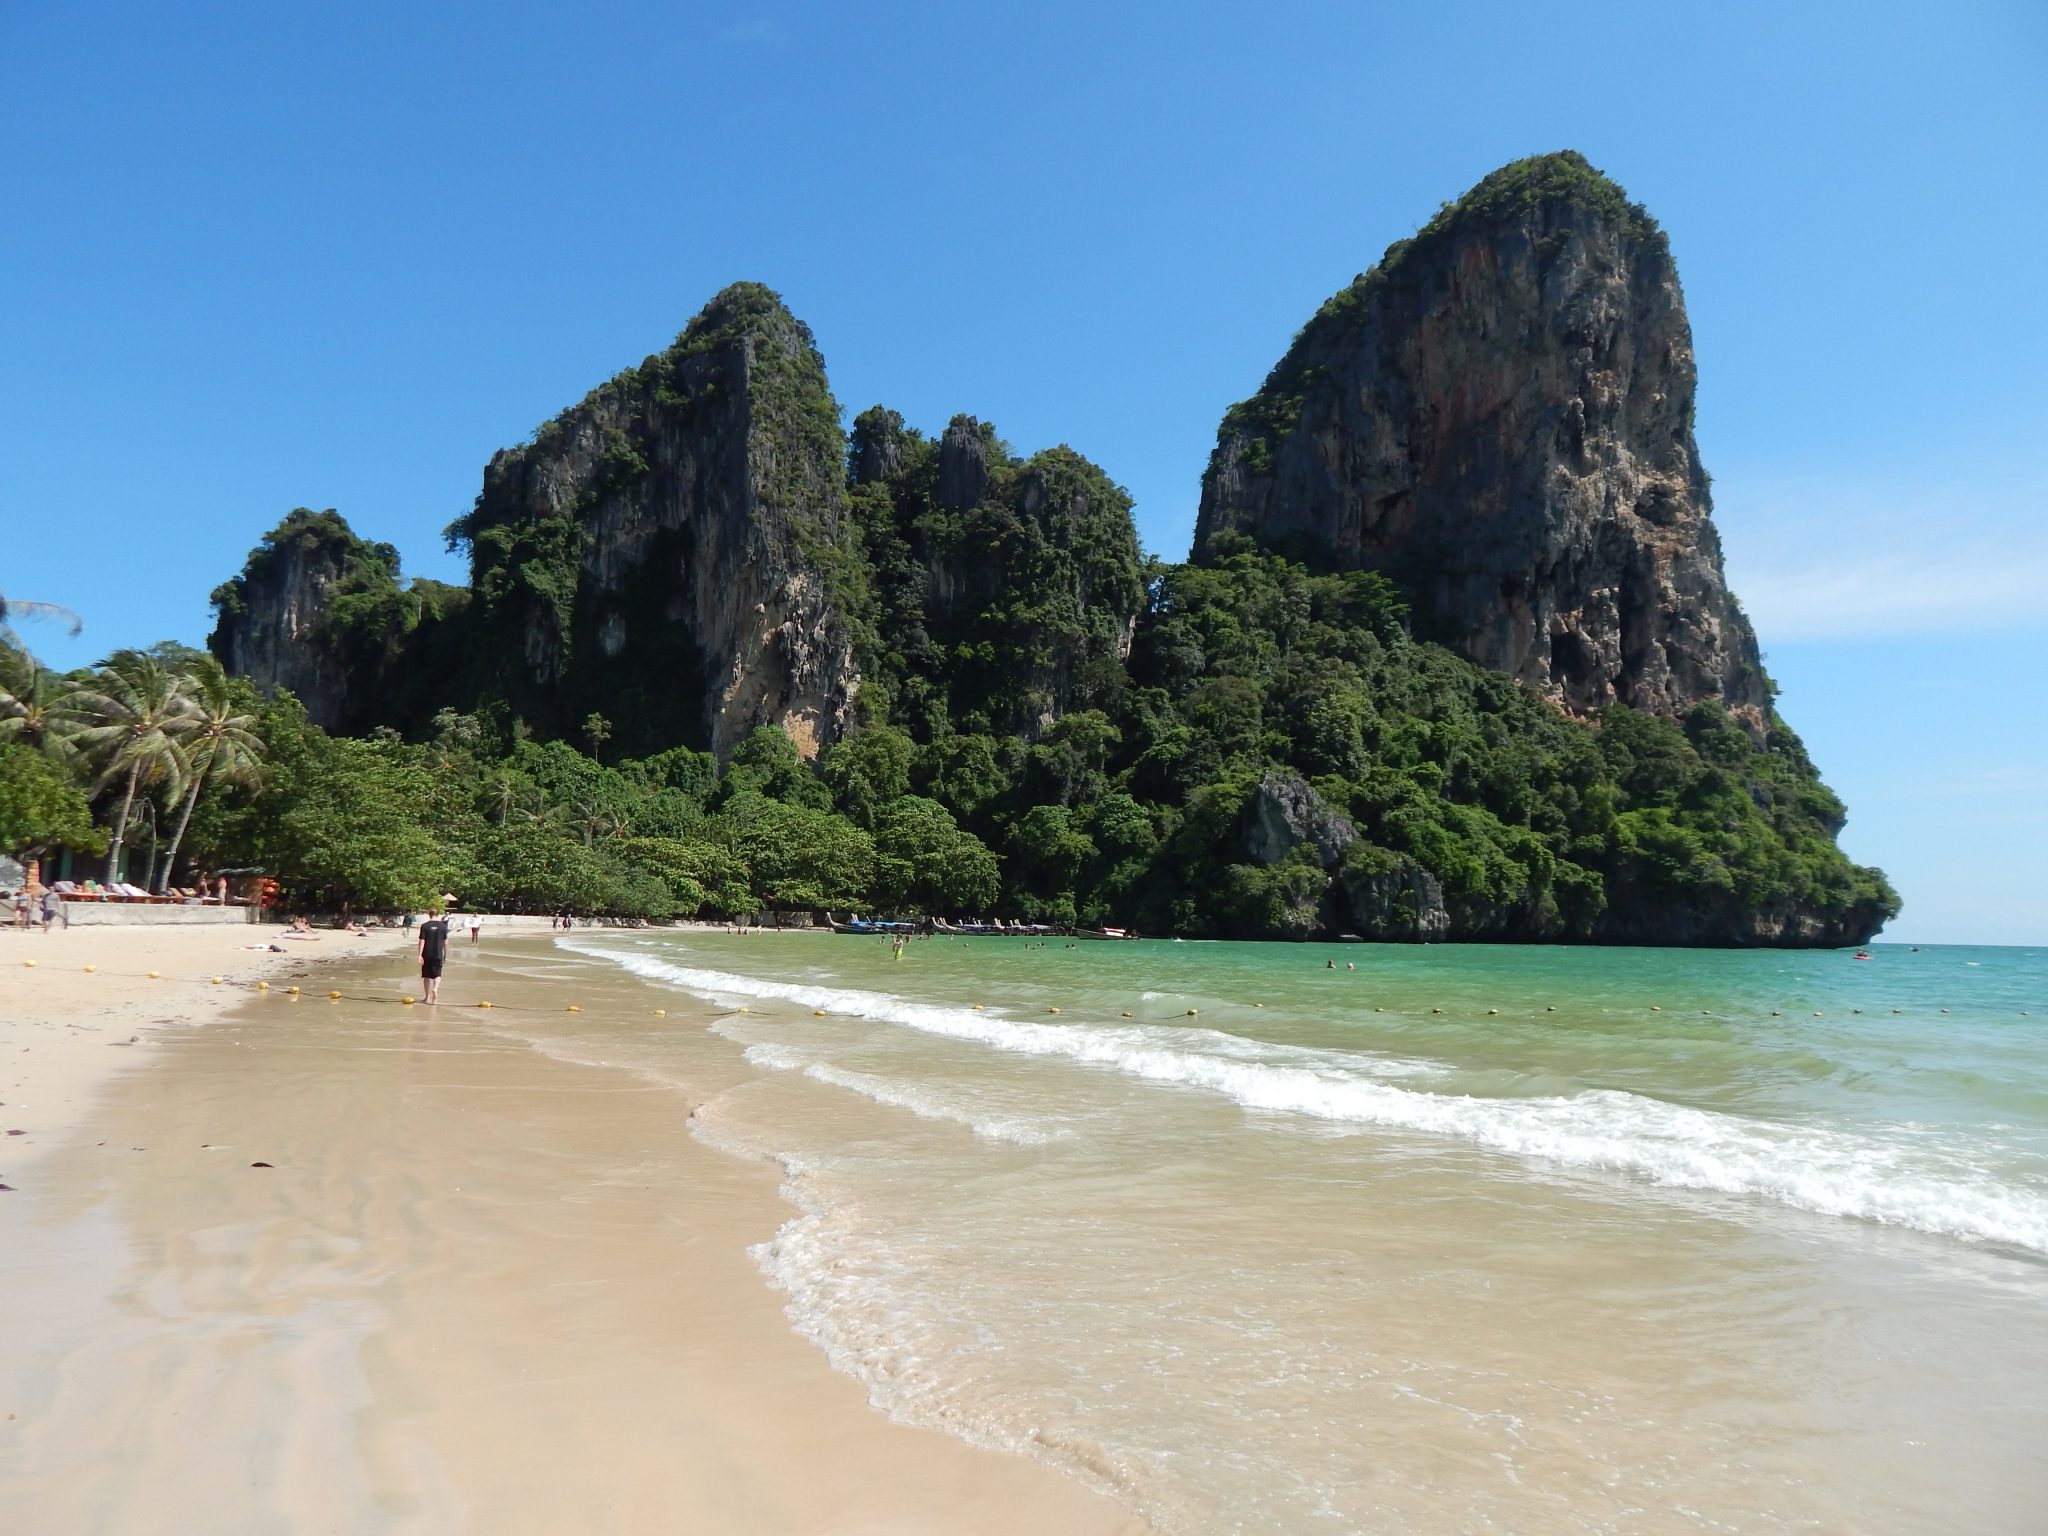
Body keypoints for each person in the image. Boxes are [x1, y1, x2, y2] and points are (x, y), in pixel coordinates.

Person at [417, 905, 451, 1004]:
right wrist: (445, 955)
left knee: (426, 976)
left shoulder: (425, 926)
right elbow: (446, 942)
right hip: (438, 954)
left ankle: (427, 997)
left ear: (429, 914)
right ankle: (435, 989)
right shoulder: (443, 926)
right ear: (438, 914)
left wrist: (419, 955)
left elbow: (422, 940)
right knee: (437, 974)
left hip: (426, 954)